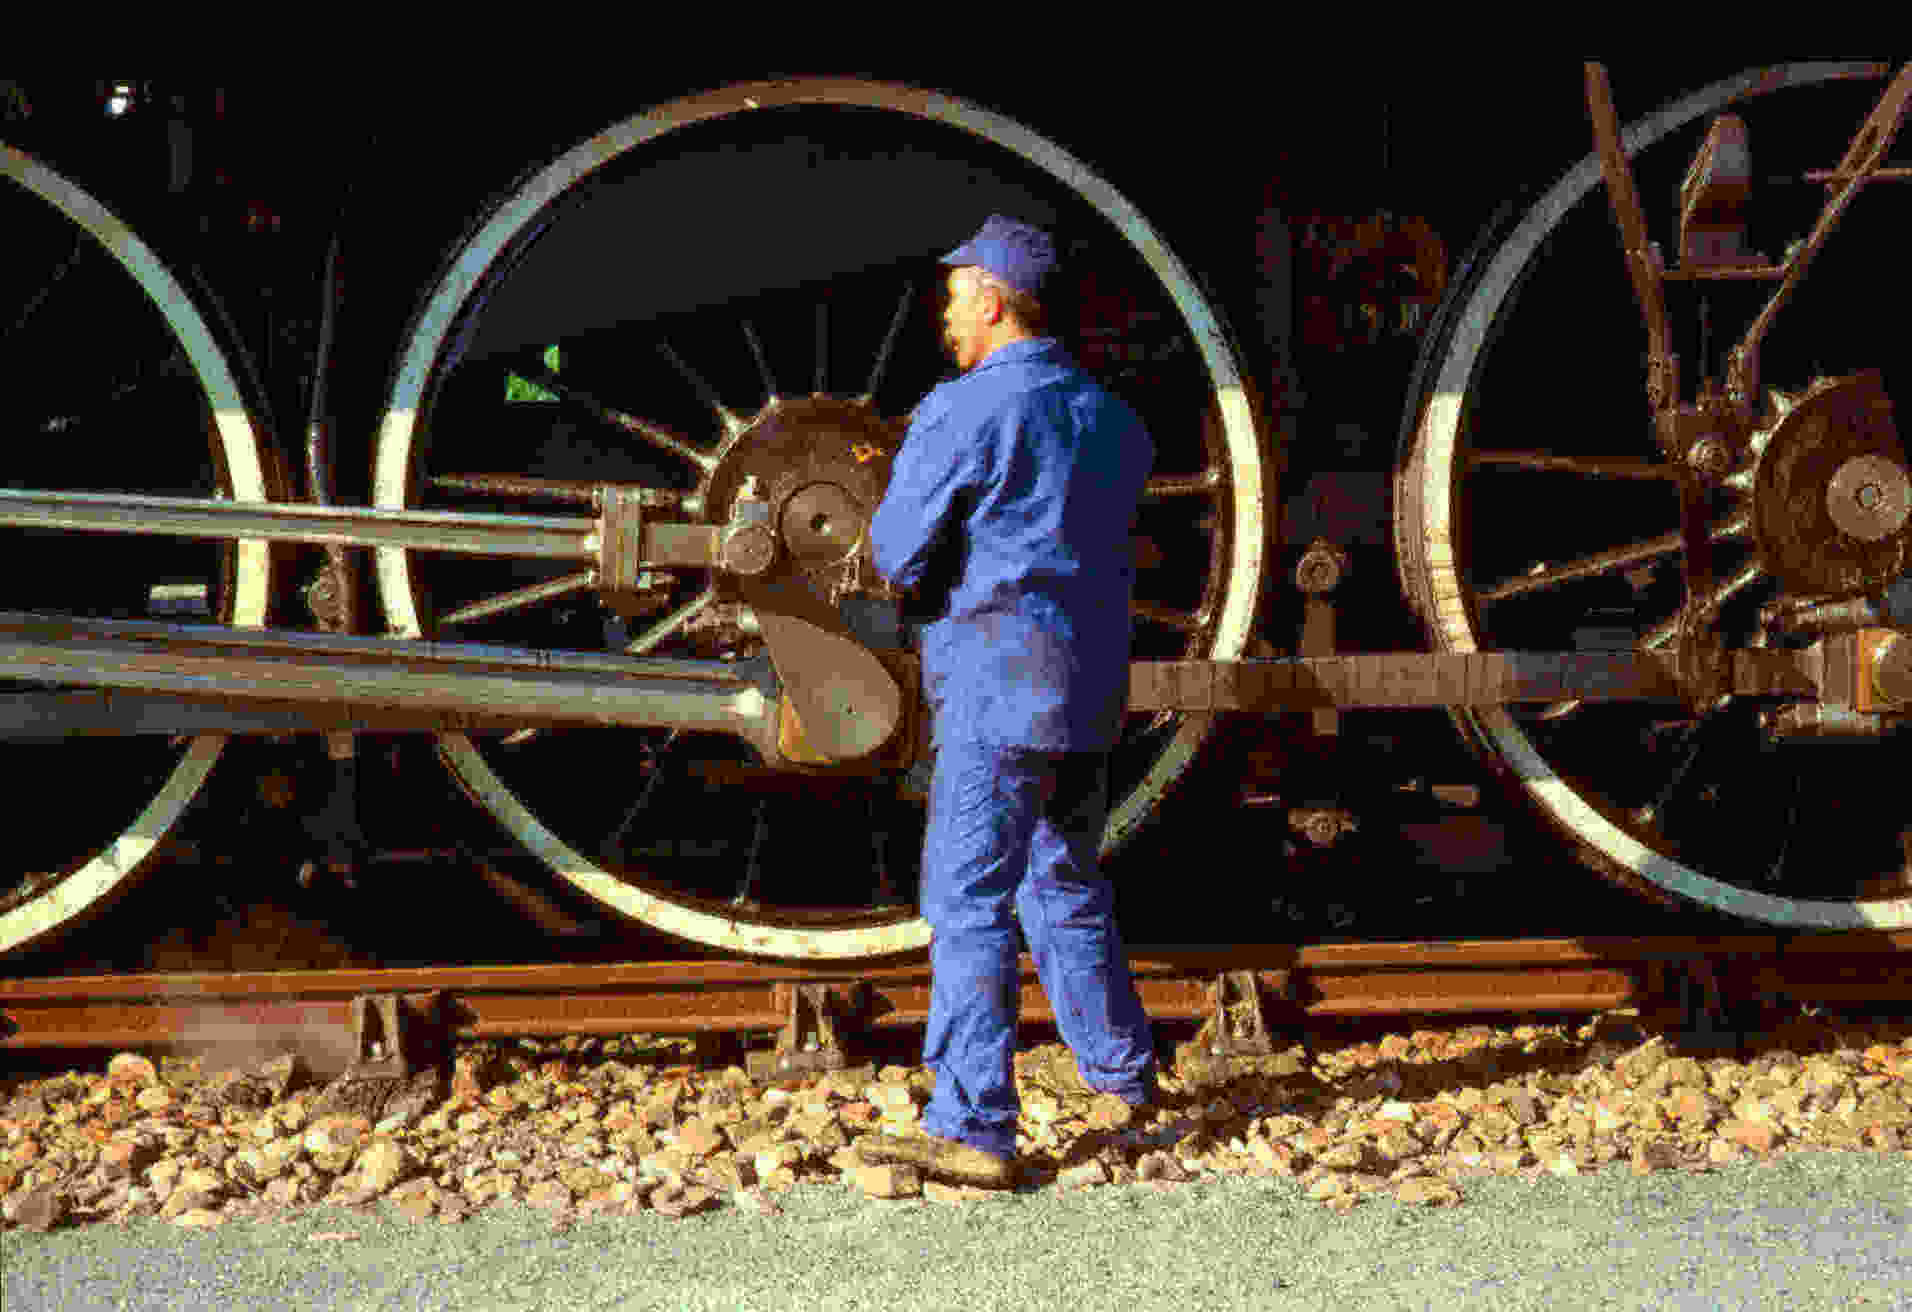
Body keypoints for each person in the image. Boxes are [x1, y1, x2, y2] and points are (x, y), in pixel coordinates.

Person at [858, 215, 1160, 1189]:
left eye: (952, 301)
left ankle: (975, 1125)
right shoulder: (1114, 420)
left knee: (967, 900)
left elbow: (895, 556)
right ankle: (1121, 1078)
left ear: (990, 299)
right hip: (1089, 688)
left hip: (995, 685)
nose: (945, 320)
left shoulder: (962, 410)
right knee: (1061, 876)